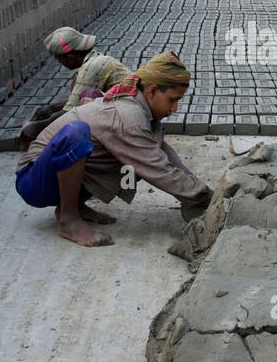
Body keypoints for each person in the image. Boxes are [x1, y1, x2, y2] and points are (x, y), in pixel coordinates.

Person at [16, 51, 212, 247]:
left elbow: (164, 154)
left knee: (137, 160)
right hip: (34, 180)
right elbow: (156, 165)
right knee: (77, 133)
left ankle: (71, 205)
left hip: (56, 178)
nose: (175, 108)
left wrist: (198, 188)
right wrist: (199, 195)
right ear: (152, 91)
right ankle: (69, 219)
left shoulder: (141, 107)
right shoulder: (129, 116)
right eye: (172, 100)